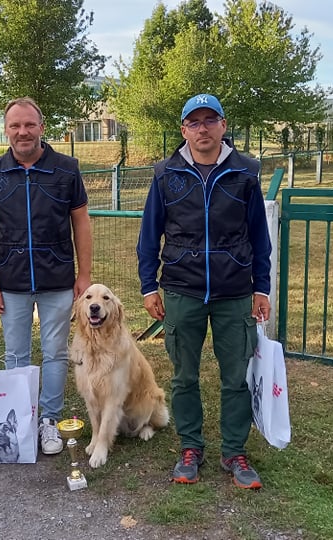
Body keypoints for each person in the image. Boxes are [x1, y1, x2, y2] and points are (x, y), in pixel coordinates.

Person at [136, 94, 272, 489]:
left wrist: (260, 287)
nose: (202, 129)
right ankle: (190, 448)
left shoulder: (245, 172)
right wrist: (149, 287)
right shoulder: (166, 174)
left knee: (236, 378)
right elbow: (149, 236)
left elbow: (259, 236)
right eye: (194, 123)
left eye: (209, 120)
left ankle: (234, 452)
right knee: (184, 377)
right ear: (184, 130)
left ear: (223, 125)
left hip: (234, 293)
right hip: (182, 291)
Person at [0, 97, 93, 456]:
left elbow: (81, 222)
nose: (22, 132)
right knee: (16, 354)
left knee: (56, 353)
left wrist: (84, 274)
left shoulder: (67, 169)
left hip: (57, 276)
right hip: (10, 280)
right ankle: (21, 419)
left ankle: (49, 420)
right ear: (6, 130)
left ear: (41, 127)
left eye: (29, 125)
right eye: (15, 126)